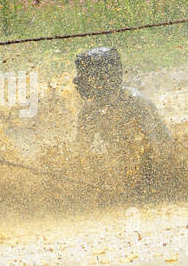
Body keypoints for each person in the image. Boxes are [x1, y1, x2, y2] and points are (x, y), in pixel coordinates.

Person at [74, 46, 175, 188]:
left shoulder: (136, 103)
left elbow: (154, 148)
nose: (80, 82)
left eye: (87, 77)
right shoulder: (88, 112)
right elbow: (82, 150)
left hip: (159, 165)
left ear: (104, 78)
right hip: (127, 164)